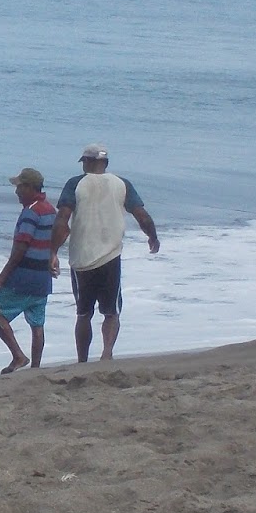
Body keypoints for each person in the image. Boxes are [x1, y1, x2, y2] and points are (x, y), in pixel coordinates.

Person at [50, 144, 159, 362]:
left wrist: (52, 252)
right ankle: (107, 353)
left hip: (82, 258)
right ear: (106, 163)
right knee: (111, 311)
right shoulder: (122, 184)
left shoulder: (75, 184)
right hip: (111, 256)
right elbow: (142, 216)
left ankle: (82, 360)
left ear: (87, 162)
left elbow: (62, 221)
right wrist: (152, 237)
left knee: (83, 313)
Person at [0, 167, 60, 374]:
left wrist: (3, 275)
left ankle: (18, 356)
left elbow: (22, 245)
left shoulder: (31, 212)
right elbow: (55, 239)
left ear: (29, 187)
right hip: (43, 279)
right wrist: (52, 258)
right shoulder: (50, 210)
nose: (16, 192)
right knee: (37, 323)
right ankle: (36, 368)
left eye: (19, 187)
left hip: (23, 277)